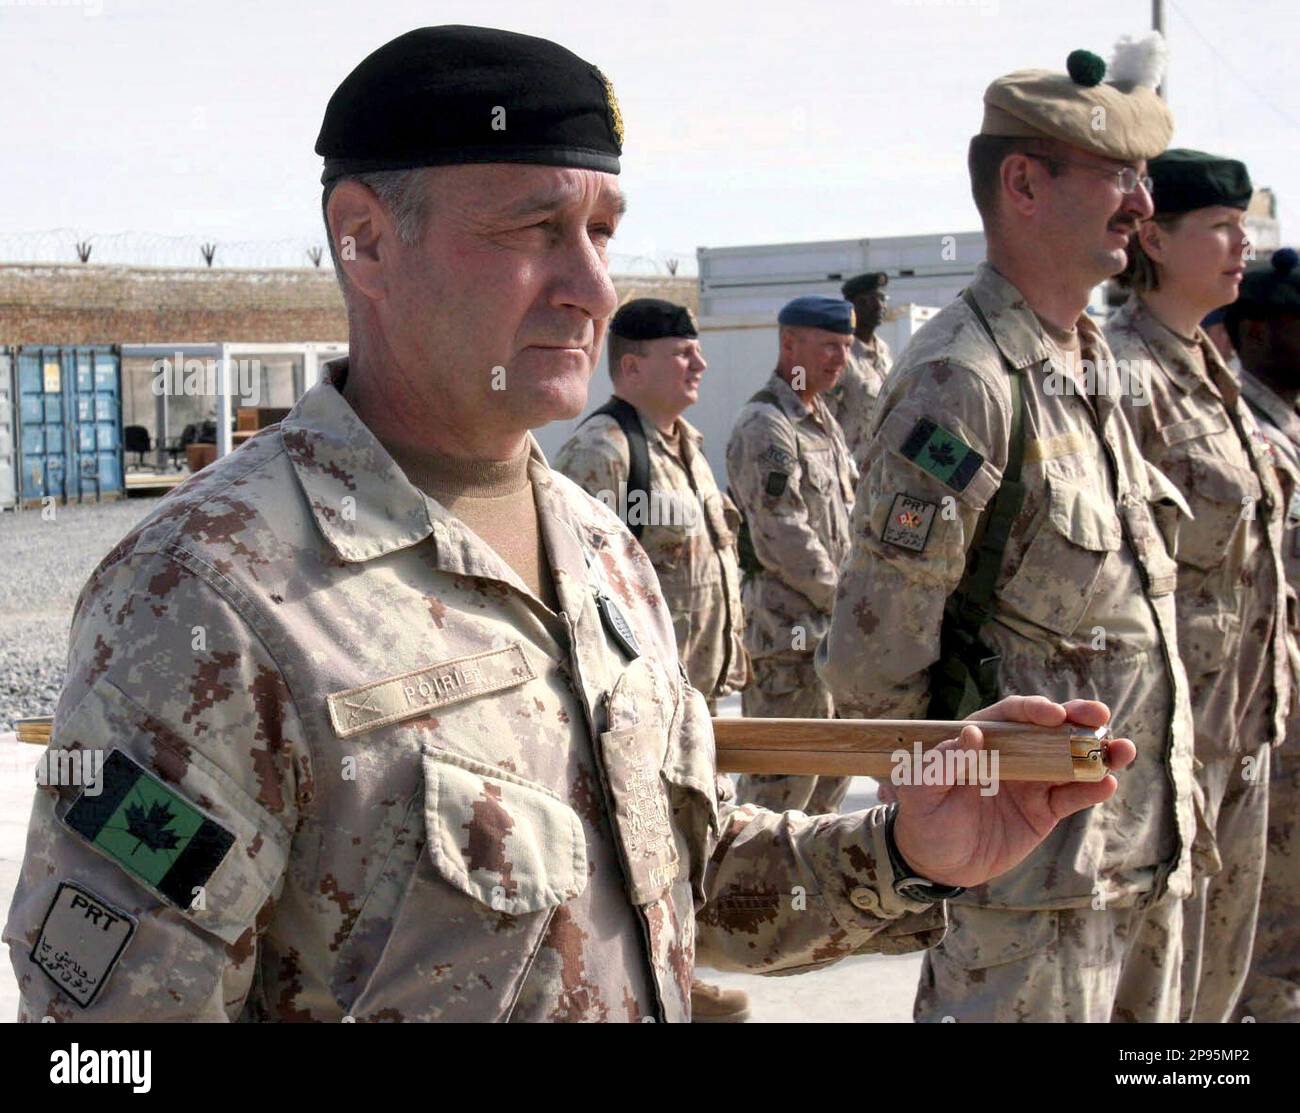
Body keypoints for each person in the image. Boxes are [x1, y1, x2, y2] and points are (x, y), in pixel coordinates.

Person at [4, 25, 1136, 1025]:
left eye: (601, 228)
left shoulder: (599, 551)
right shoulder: (209, 596)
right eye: (535, 227)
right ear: (364, 239)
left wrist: (903, 853)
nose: (592, 284)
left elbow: (679, 880)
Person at [818, 37, 1199, 1022]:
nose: (1144, 205)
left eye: (1146, 179)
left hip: (1136, 864)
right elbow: (875, 665)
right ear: (1023, 183)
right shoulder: (963, 381)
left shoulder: (1081, 368)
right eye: (1120, 176)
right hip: (1021, 898)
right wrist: (942, 851)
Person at [1105, 150, 1289, 1023]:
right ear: (1152, 237)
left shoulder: (1214, 378)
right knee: (1155, 1000)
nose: (1240, 242)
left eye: (1242, 222)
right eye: (1219, 225)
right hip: (1167, 749)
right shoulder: (1120, 378)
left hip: (1244, 733)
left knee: (1217, 995)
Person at [555, 296, 750, 1022]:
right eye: (681, 352)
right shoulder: (604, 451)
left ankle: (682, 970)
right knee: (639, 845)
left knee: (685, 837)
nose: (699, 362)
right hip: (631, 704)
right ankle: (661, 982)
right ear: (630, 365)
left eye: (696, 349)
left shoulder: (688, 448)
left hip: (692, 696)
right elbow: (572, 580)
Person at [725, 295, 857, 816]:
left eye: (845, 347)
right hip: (787, 643)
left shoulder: (821, 421)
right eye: (828, 345)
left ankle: (814, 900)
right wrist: (846, 596)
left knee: (827, 794)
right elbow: (783, 533)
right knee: (777, 797)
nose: (839, 359)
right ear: (789, 343)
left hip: (833, 640)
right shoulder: (767, 424)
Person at [1224, 247, 1300, 1023]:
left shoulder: (1288, 427)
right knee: (1269, 926)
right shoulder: (1246, 433)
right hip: (1261, 723)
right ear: (1257, 332)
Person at [825, 271, 893, 465]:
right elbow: (825, 421)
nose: (879, 305)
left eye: (882, 298)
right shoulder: (841, 357)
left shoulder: (883, 352)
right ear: (852, 308)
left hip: (883, 470)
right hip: (853, 471)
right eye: (869, 300)